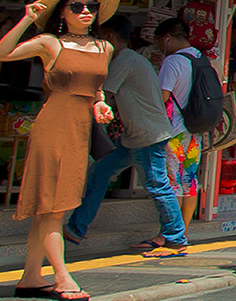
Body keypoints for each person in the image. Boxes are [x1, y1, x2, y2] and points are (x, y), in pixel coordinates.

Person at [0, 0, 118, 301]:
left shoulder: (105, 47)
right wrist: (26, 19)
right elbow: (1, 53)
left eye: (92, 7)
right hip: (54, 125)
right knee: (53, 206)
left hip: (80, 128)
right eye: (77, 7)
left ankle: (32, 277)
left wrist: (101, 103)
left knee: (54, 204)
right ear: (63, 12)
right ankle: (62, 277)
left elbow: (95, 87)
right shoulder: (50, 42)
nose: (86, 11)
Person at [63, 15, 187, 258]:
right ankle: (76, 228)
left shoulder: (124, 61)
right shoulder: (131, 59)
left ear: (109, 37)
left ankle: (176, 238)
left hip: (147, 136)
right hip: (137, 136)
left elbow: (101, 94)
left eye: (99, 37)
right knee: (100, 172)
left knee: (157, 185)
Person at [154, 18, 204, 241]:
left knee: (172, 183)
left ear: (167, 38)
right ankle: (182, 232)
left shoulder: (173, 61)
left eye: (158, 41)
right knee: (189, 182)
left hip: (173, 131)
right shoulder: (200, 58)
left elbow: (161, 97)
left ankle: (171, 235)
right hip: (195, 129)